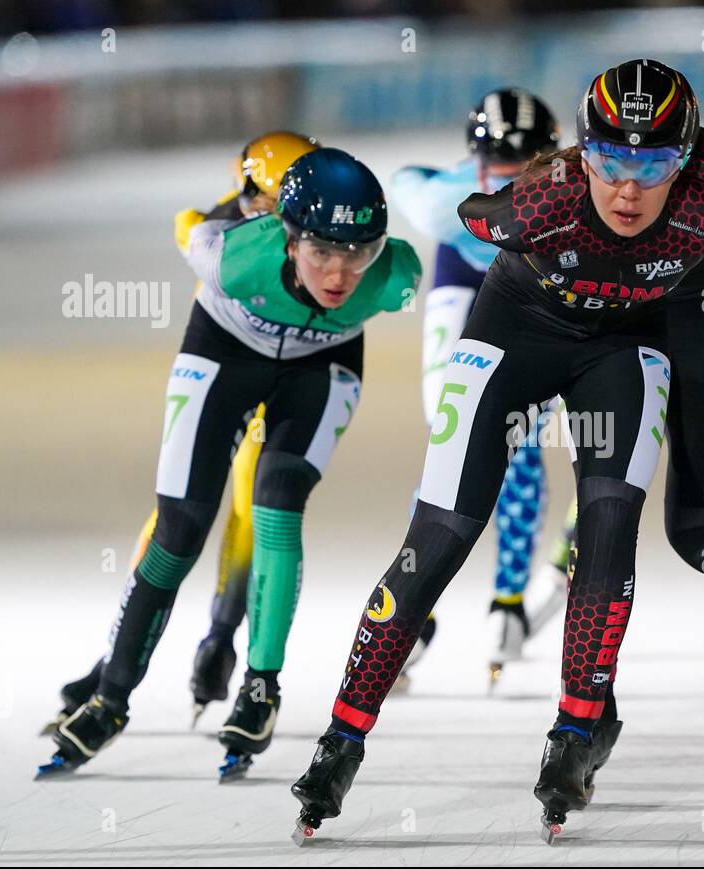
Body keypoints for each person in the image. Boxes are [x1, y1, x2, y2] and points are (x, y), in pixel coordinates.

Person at [288, 59, 704, 843]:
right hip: (521, 325)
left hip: (668, 319)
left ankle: (592, 717)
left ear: (686, 159)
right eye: (610, 161)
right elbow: (464, 206)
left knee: (671, 531)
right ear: (582, 152)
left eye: (655, 162)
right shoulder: (530, 207)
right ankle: (340, 740)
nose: (629, 188)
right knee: (440, 534)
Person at [37, 148, 422, 781]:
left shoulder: (394, 275)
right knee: (181, 525)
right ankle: (112, 694)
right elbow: (189, 223)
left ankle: (261, 684)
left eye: (358, 253)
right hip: (225, 350)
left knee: (278, 501)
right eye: (322, 250)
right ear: (287, 235)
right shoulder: (232, 258)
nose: (340, 272)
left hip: (319, 369)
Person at [43, 132, 322, 733]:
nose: (288, 223)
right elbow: (191, 229)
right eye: (274, 207)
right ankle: (125, 651)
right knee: (176, 519)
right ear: (250, 194)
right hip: (232, 369)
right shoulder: (219, 226)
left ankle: (221, 635)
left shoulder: (283, 216)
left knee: (255, 503)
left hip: (284, 375)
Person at [387, 88, 562, 689]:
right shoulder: (445, 202)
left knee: (521, 440)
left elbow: (407, 174)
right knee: (452, 437)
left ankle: (504, 602)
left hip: (532, 285)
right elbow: (406, 178)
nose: (512, 183)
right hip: (466, 276)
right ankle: (424, 607)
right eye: (499, 173)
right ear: (477, 166)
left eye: (526, 172)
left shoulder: (570, 187)